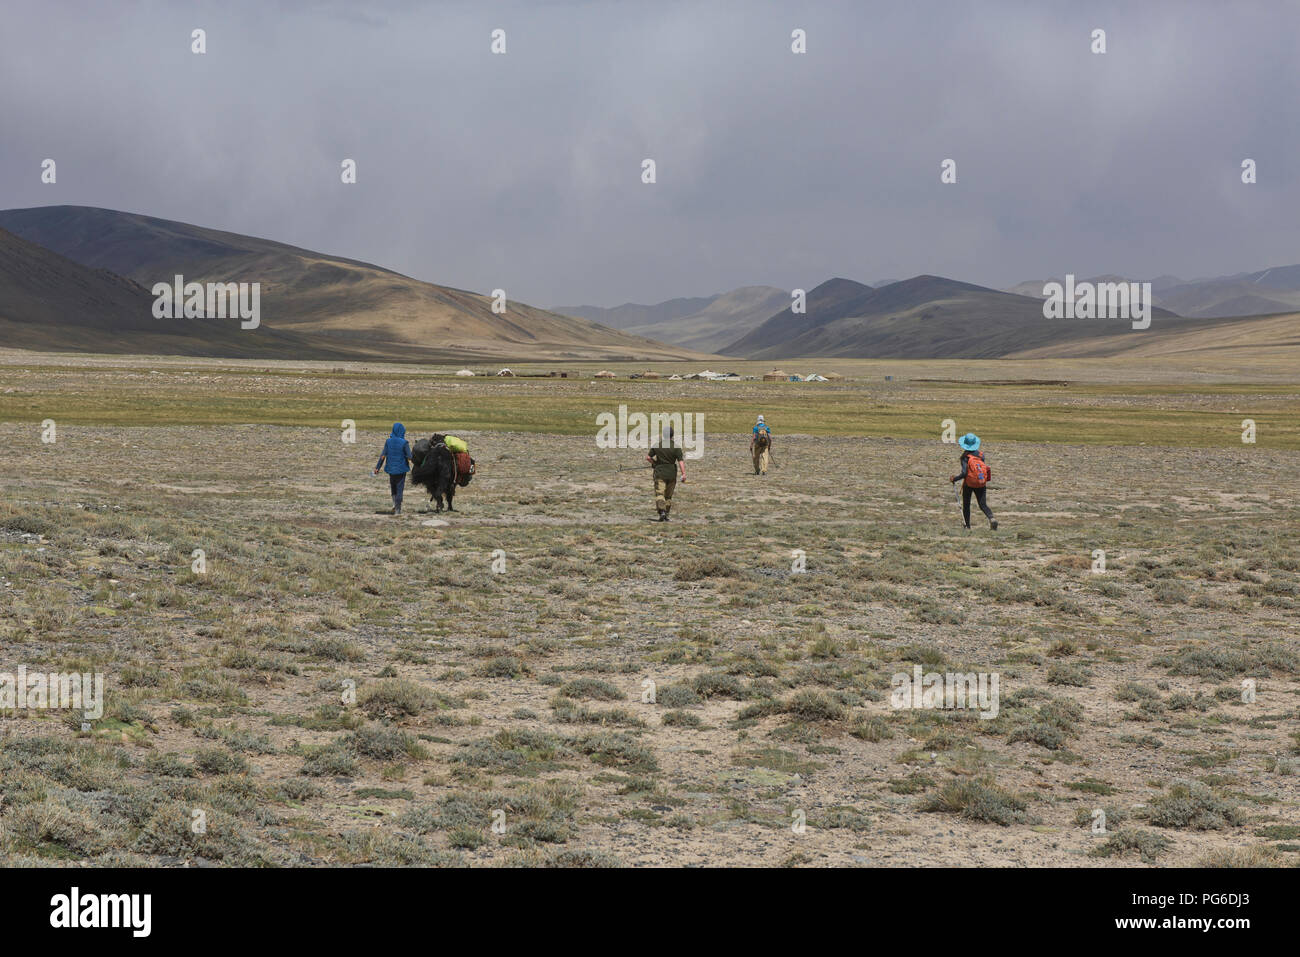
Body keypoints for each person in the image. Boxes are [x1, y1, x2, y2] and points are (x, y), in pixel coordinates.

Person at [950, 432, 998, 531]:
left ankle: (967, 526)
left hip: (969, 484)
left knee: (966, 505)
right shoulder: (981, 455)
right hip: (981, 482)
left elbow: (964, 473)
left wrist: (954, 479)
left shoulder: (965, 457)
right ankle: (991, 518)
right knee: (983, 504)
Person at [647, 424, 686, 521]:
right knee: (668, 496)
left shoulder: (657, 445)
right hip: (672, 474)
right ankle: (666, 515)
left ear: (663, 435)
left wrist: (655, 463)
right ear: (672, 435)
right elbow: (680, 461)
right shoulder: (676, 447)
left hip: (660, 473)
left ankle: (662, 512)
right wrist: (684, 473)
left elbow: (648, 457)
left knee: (660, 494)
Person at [374, 422, 413, 515]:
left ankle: (394, 504)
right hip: (401, 469)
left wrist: (377, 467)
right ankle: (398, 509)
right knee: (400, 488)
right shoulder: (404, 442)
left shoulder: (388, 441)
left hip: (391, 469)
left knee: (393, 487)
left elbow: (383, 455)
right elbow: (410, 456)